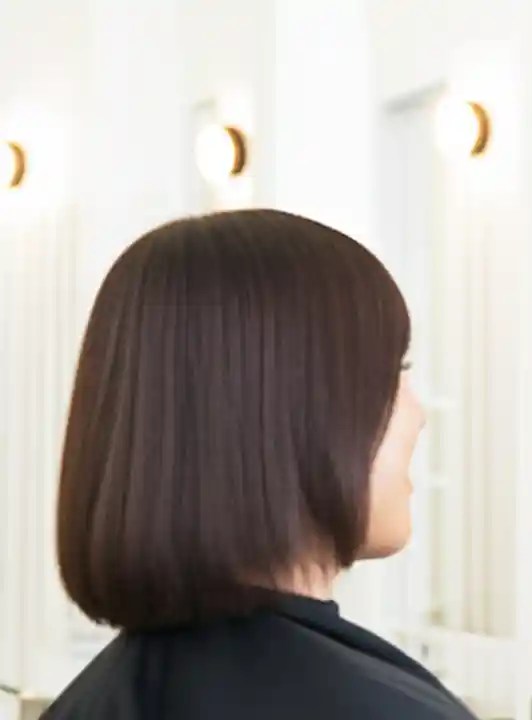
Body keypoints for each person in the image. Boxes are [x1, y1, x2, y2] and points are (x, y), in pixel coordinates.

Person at [45, 209, 475, 720]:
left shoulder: (94, 701)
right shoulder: (366, 707)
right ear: (294, 409)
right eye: (394, 372)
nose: (417, 413)